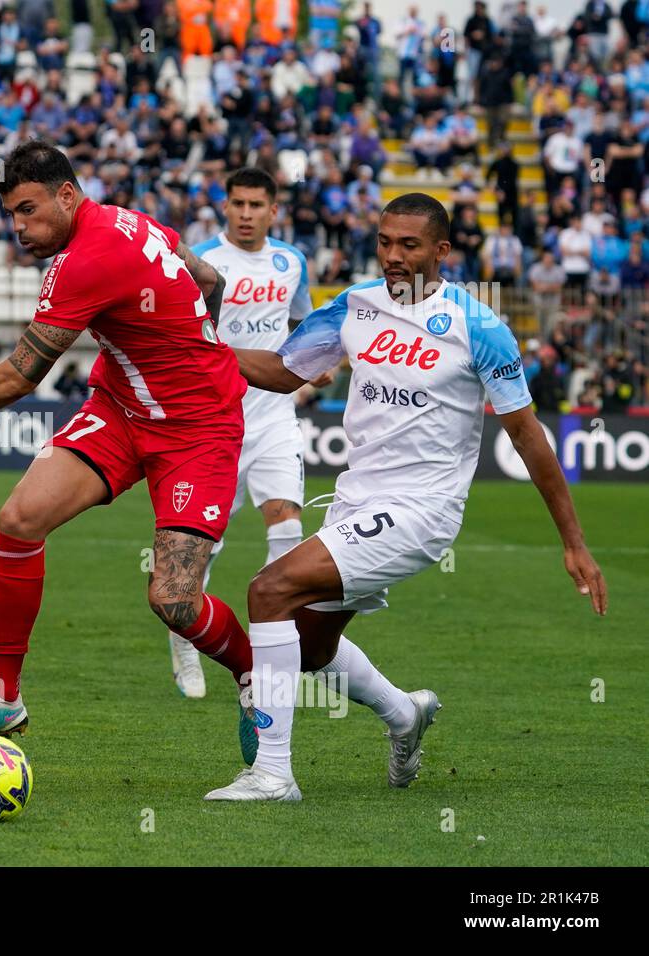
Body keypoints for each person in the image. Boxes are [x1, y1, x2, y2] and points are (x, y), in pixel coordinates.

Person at [206, 193, 607, 802]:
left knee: (269, 590)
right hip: (355, 501)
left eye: (409, 245)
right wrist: (200, 351)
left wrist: (574, 544)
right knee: (310, 651)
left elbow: (528, 436)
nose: (393, 256)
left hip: (422, 512)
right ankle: (404, 713)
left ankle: (274, 774)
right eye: (386, 242)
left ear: (441, 251)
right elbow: (285, 372)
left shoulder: (481, 326)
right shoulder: (355, 305)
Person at [0, 140, 255, 757]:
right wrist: (193, 336)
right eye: (10, 215)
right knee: (19, 519)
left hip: (198, 428)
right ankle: (5, 696)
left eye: (28, 211)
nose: (19, 228)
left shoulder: (85, 257)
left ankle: (252, 678)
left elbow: (22, 374)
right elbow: (207, 279)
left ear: (66, 195)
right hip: (122, 411)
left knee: (174, 599)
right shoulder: (131, 219)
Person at [168, 167, 385, 720]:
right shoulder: (202, 262)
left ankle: (275, 648)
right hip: (213, 419)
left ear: (273, 210)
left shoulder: (291, 262)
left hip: (273, 418)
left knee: (287, 525)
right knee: (202, 548)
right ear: (225, 206)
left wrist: (315, 368)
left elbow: (302, 324)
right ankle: (186, 642)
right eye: (237, 202)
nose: (245, 213)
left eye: (256, 204)